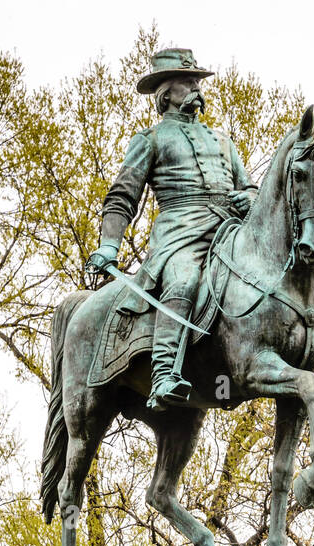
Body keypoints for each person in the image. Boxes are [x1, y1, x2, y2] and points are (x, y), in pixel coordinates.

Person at [86, 47, 257, 412]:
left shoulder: (222, 141)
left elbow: (248, 185)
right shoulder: (149, 140)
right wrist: (108, 245)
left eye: (197, 80)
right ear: (166, 94)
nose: (196, 87)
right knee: (184, 280)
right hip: (181, 232)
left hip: (229, 228)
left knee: (271, 274)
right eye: (187, 81)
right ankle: (164, 373)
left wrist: (250, 199)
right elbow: (122, 196)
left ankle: (308, 366)